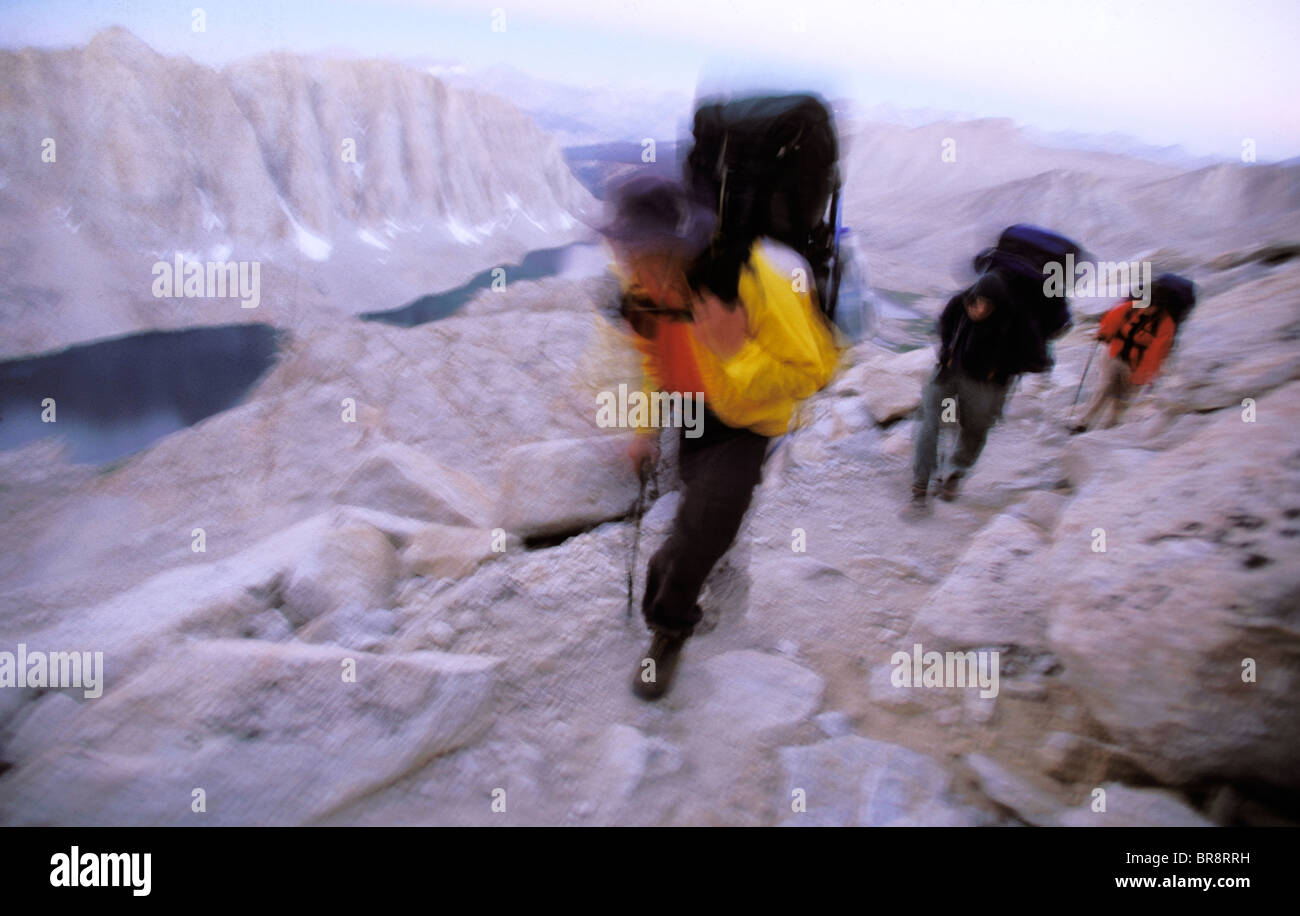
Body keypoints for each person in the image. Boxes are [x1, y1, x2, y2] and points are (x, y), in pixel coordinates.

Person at [600, 174, 839, 700]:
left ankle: (669, 628)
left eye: (632, 245)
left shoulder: (752, 282)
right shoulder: (643, 284)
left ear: (671, 246)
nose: (620, 255)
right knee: (702, 521)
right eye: (620, 243)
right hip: (691, 416)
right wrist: (645, 431)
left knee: (702, 528)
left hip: (746, 422)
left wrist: (737, 353)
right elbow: (654, 358)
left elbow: (815, 370)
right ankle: (692, 572)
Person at [908, 271, 1041, 515]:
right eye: (977, 303)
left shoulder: (1015, 319)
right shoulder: (959, 304)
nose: (979, 310)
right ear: (972, 296)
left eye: (987, 307)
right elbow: (944, 327)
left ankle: (955, 471)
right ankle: (921, 486)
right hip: (948, 376)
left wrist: (1001, 370)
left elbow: (1038, 358)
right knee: (931, 422)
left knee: (975, 428)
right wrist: (947, 353)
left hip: (984, 385)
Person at [1070, 279, 1185, 433]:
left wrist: (1141, 376)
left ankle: (1110, 428)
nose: (1143, 308)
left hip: (1137, 363)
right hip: (1115, 353)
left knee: (1123, 399)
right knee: (1105, 387)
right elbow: (1111, 321)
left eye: (1147, 306)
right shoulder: (1130, 308)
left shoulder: (1165, 325)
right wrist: (1103, 334)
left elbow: (1155, 354)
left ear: (1157, 306)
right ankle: (1083, 423)